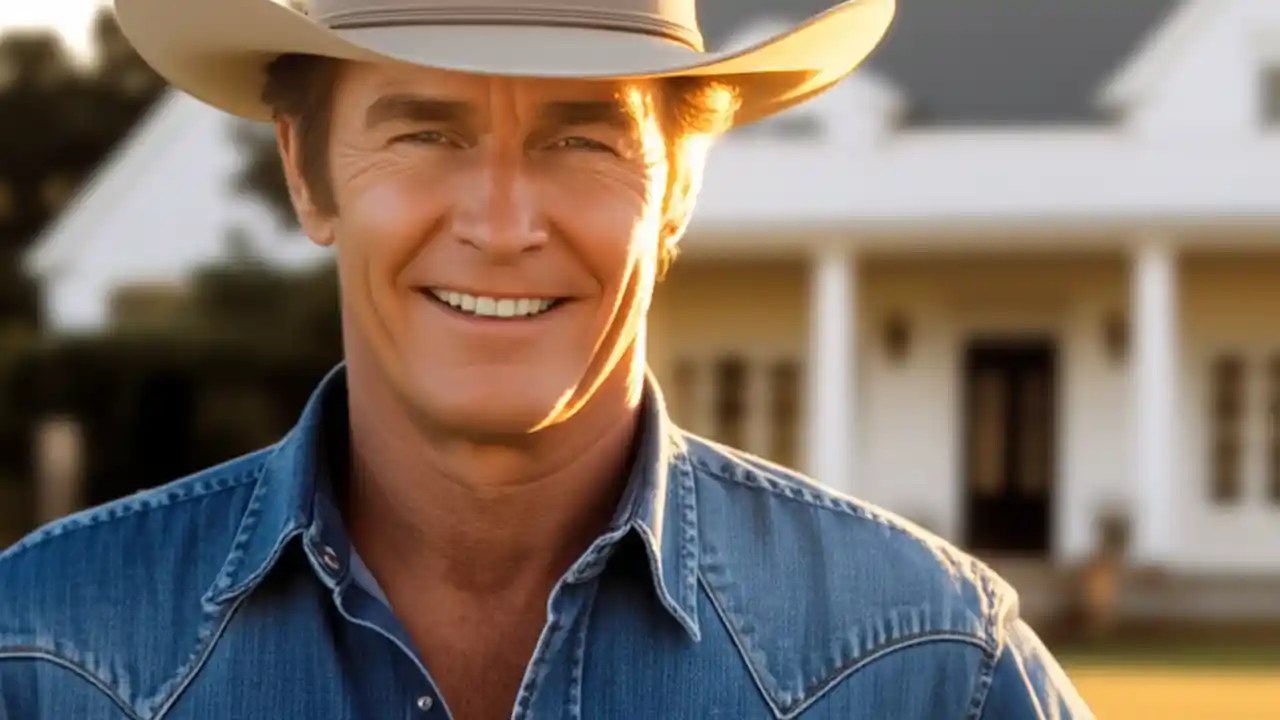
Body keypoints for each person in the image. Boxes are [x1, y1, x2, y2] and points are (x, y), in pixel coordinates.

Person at [0, 0, 1093, 717]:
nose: (502, 224)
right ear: (306, 170)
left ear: (679, 185)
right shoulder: (45, 659)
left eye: (582, 138)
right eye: (425, 133)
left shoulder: (927, 670)